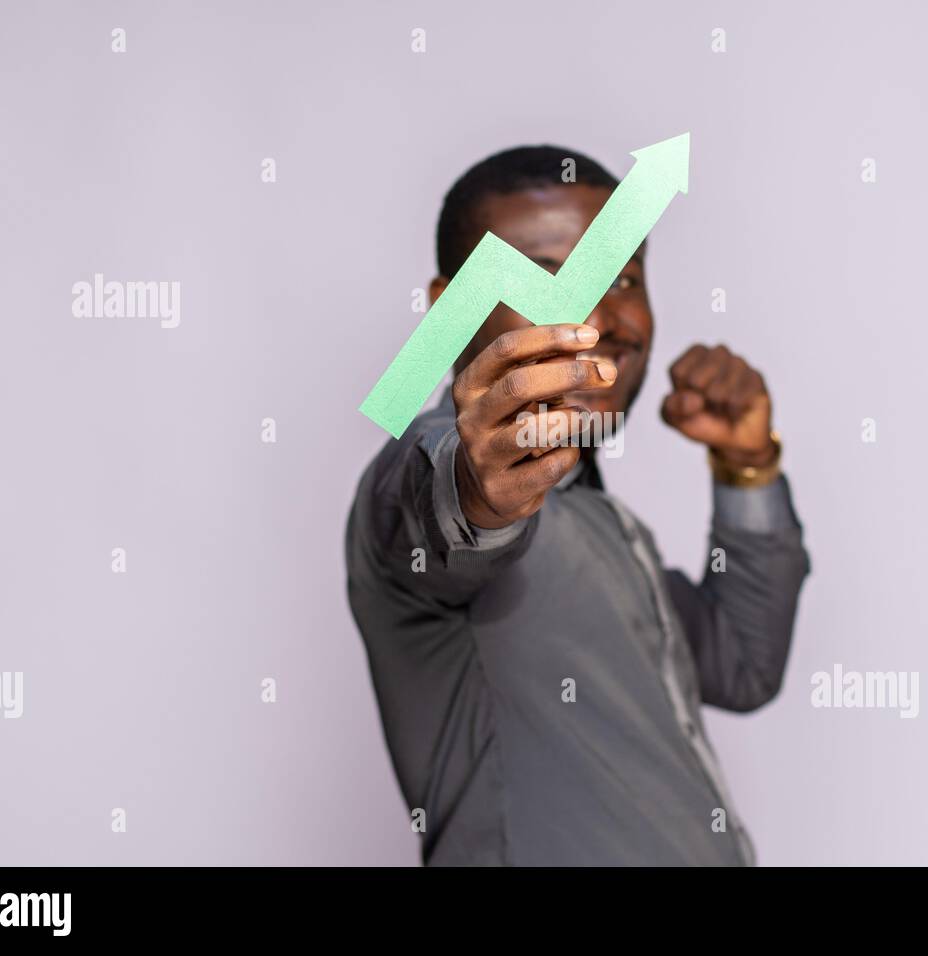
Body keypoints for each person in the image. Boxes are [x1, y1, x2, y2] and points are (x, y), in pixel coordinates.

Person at [345, 145, 810, 865]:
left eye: (621, 276)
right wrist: (475, 488)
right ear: (450, 311)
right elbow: (431, 505)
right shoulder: (427, 464)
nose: (600, 314)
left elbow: (741, 665)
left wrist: (747, 467)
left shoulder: (606, 523)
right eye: (544, 279)